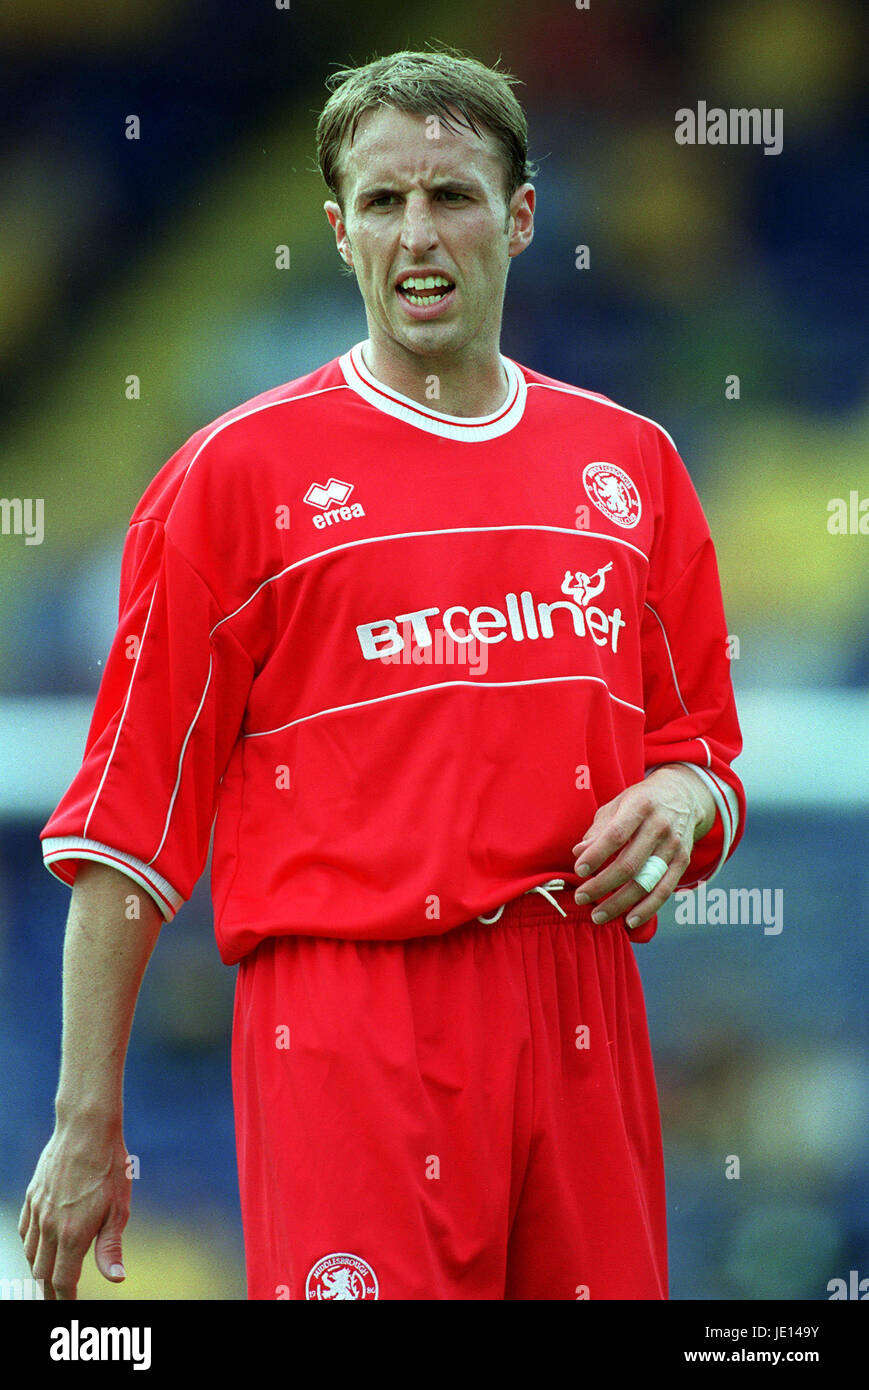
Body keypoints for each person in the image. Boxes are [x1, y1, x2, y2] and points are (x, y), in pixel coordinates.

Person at [20, 47, 744, 1301]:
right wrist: (87, 1117)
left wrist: (681, 804)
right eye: (382, 199)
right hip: (345, 1018)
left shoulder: (631, 468)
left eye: (452, 195)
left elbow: (701, 751)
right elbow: (125, 825)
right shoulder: (231, 480)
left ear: (518, 220)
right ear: (339, 229)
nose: (418, 230)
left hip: (578, 1005)